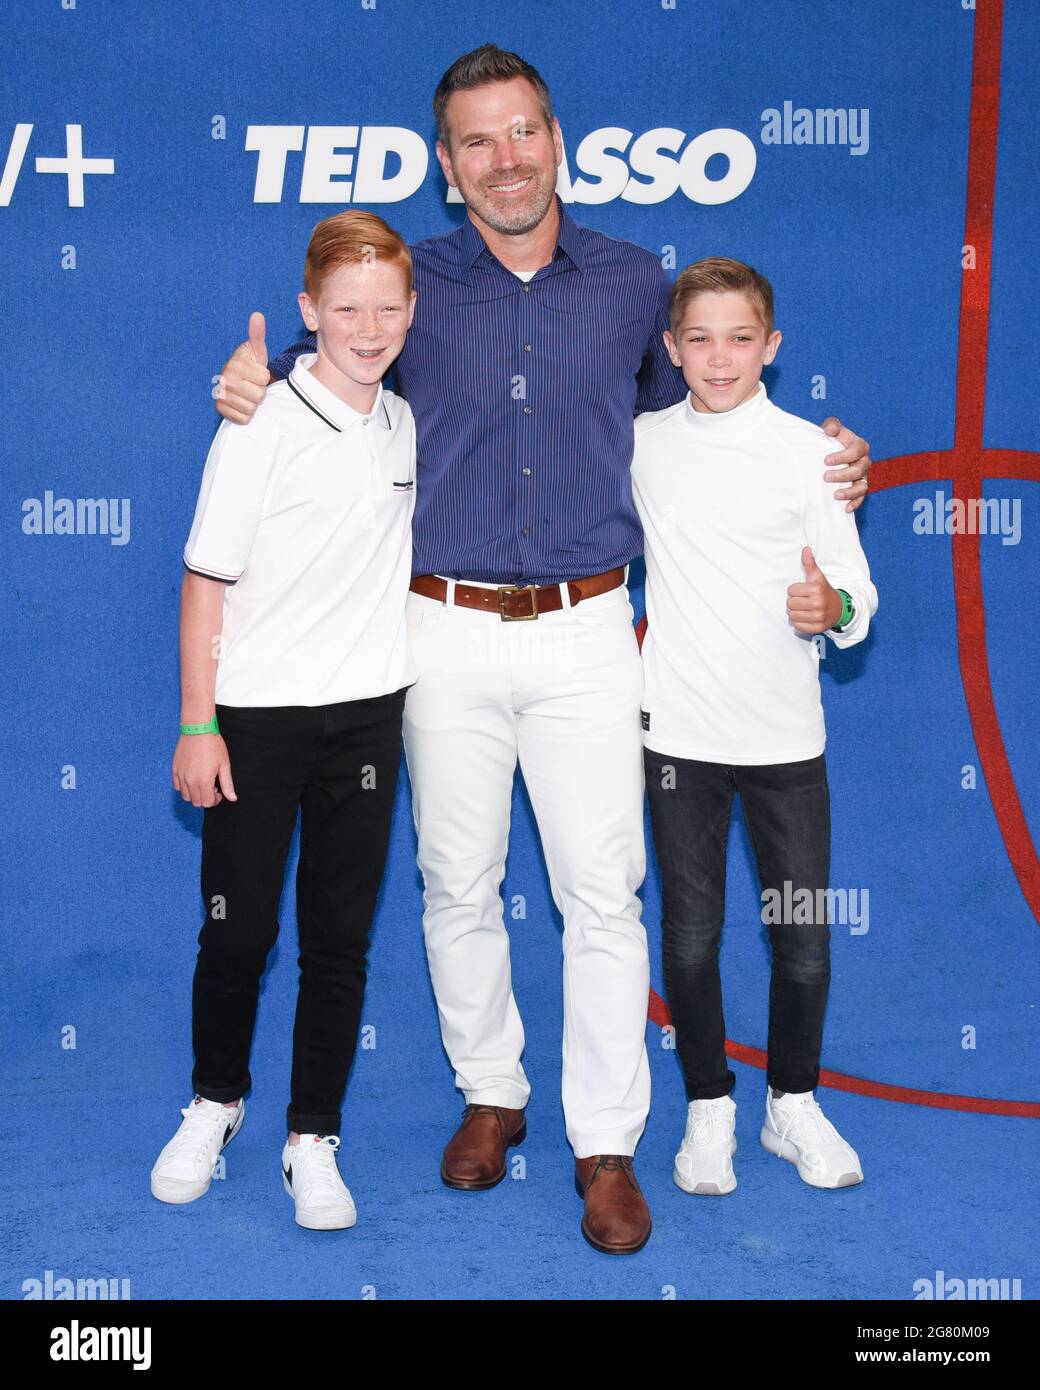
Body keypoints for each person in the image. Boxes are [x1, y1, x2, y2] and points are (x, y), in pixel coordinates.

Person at [210, 45, 873, 1255]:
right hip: (437, 628)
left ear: (554, 139)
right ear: (447, 167)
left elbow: (705, 423)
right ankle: (491, 1092)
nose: (504, 158)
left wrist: (823, 462)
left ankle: (605, 1141)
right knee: (454, 879)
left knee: (600, 892)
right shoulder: (416, 286)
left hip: (586, 628)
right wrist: (251, 383)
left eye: (522, 132)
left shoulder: (632, 282)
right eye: (476, 140)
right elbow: (332, 379)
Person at [151, 210, 418, 1230]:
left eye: (387, 309)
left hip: (365, 724)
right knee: (238, 930)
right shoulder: (256, 417)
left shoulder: (401, 422)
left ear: (410, 314)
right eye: (344, 308)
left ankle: (313, 1136)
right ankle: (216, 1103)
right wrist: (196, 721)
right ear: (308, 310)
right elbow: (205, 577)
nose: (366, 327)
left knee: (337, 939)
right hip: (253, 722)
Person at [632, 257, 877, 1197]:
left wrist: (836, 609)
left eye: (741, 338)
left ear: (772, 349)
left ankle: (793, 1104)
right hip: (680, 740)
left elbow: (858, 588)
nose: (719, 356)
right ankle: (708, 1107)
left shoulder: (811, 455)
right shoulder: (641, 442)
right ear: (671, 349)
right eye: (699, 338)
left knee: (802, 933)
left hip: (787, 745)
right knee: (690, 938)